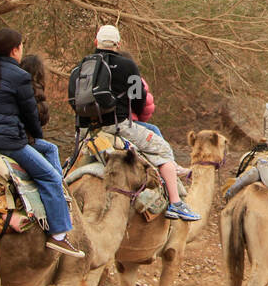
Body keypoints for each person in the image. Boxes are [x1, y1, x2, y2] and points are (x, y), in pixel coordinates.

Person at [0, 29, 82, 257]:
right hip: (9, 142)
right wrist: (35, 136)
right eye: (20, 46)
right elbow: (31, 116)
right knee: (49, 175)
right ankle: (59, 234)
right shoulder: (20, 76)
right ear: (14, 49)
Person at [69, 25, 198, 221]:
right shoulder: (127, 66)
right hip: (118, 126)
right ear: (118, 44)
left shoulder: (80, 67)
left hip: (87, 130)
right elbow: (138, 99)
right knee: (162, 149)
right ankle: (175, 203)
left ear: (96, 43)